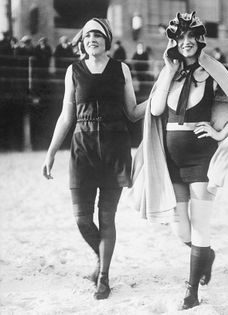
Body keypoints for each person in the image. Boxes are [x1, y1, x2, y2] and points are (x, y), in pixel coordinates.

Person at [130, 11, 228, 310]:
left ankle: (192, 289)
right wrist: (169, 72)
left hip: (201, 156)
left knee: (200, 224)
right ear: (173, 41)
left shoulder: (212, 70)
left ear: (200, 39)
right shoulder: (169, 71)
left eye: (190, 37)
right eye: (180, 38)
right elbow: (157, 109)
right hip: (170, 158)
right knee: (180, 228)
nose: (186, 43)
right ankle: (205, 254)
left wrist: (219, 130)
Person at [42, 18, 145, 300]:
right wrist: (51, 152)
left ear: (107, 39)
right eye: (87, 35)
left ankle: (103, 276)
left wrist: (161, 92)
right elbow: (66, 116)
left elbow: (134, 112)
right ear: (82, 41)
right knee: (81, 219)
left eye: (98, 35)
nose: (92, 39)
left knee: (107, 217)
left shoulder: (121, 68)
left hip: (115, 146)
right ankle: (101, 258)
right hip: (82, 148)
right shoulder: (73, 71)